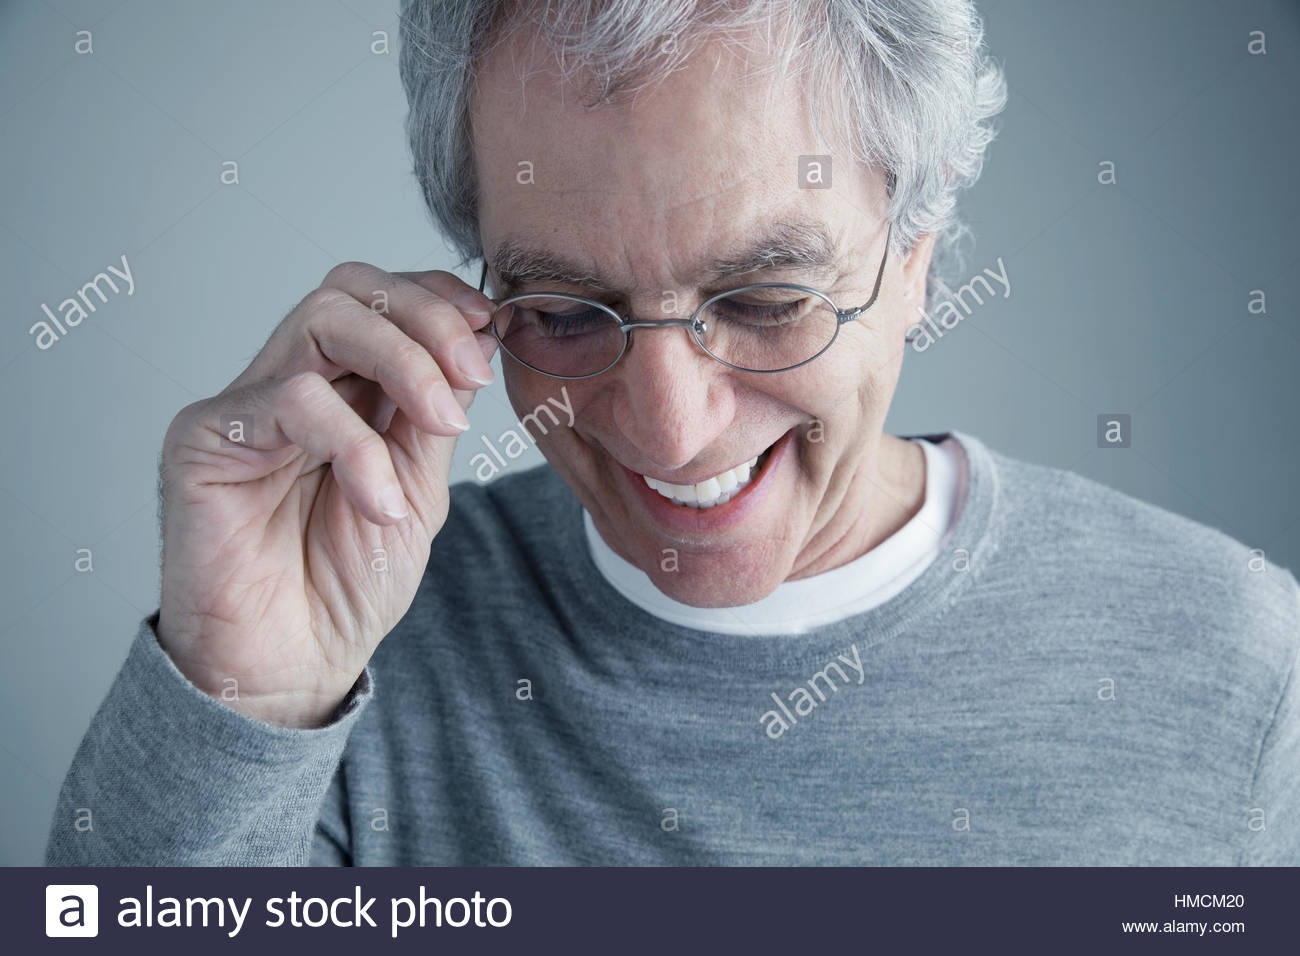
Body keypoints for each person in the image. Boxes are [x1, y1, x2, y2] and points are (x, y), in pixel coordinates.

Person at [46, 0, 1298, 866]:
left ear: (918, 254)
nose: (669, 424)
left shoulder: (1234, 664)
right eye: (564, 309)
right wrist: (246, 697)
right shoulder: (366, 632)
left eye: (761, 301)